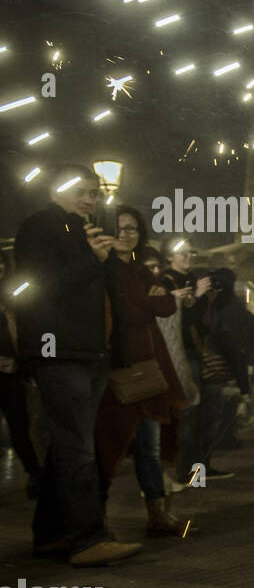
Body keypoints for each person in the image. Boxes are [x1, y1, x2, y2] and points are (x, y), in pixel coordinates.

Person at [12, 165, 140, 566]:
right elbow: (44, 285)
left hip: (90, 351)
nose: (90, 198)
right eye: (81, 191)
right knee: (77, 448)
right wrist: (92, 257)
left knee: (67, 447)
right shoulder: (40, 227)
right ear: (56, 189)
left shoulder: (87, 231)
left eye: (94, 192)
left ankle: (50, 535)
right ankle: (87, 539)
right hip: (58, 351)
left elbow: (108, 296)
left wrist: (116, 350)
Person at [93, 211, 194, 536]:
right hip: (115, 368)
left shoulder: (139, 269)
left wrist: (144, 301)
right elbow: (121, 309)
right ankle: (96, 520)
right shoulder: (101, 268)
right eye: (119, 228)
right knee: (107, 446)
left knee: (149, 447)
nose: (126, 234)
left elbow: (166, 306)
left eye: (133, 228)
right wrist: (144, 302)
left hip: (147, 371)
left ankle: (157, 514)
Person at [192, 267, 252, 478]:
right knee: (204, 424)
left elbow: (233, 346)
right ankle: (198, 471)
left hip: (212, 372)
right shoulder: (215, 308)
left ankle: (198, 470)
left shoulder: (222, 310)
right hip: (207, 371)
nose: (214, 290)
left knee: (207, 423)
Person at [159, 240, 209, 483]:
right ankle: (184, 471)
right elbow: (178, 319)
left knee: (198, 414)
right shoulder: (166, 281)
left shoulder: (192, 279)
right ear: (169, 256)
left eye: (191, 251)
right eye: (182, 253)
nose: (188, 256)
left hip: (195, 351)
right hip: (180, 353)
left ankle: (197, 469)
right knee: (187, 412)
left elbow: (199, 318)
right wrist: (196, 297)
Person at [0, 250, 43, 499]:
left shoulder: (12, 293)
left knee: (19, 426)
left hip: (12, 372)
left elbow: (25, 330)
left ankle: (34, 473)